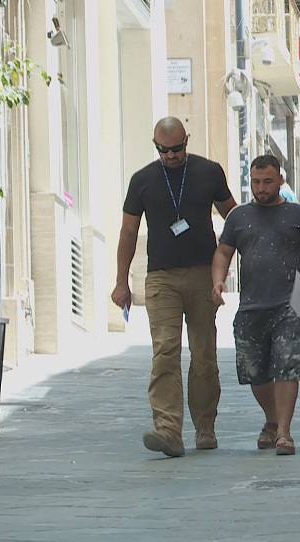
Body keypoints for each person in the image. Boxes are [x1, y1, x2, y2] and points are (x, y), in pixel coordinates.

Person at [111, 116, 237, 458]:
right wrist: (121, 280)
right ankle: (169, 430)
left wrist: (234, 263)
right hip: (161, 277)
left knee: (204, 354)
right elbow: (128, 233)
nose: (170, 156)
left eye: (176, 148)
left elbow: (234, 218)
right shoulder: (142, 181)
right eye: (163, 150)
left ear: (187, 141)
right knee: (165, 350)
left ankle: (205, 426)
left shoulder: (209, 172)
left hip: (201, 274)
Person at [210, 155, 300, 456]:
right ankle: (271, 420)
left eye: (268, 182)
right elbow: (223, 252)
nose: (261, 188)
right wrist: (218, 281)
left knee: (287, 365)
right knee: (254, 370)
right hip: (251, 304)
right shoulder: (238, 216)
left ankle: (284, 432)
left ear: (280, 181)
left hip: (291, 300)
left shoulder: (297, 214)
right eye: (256, 182)